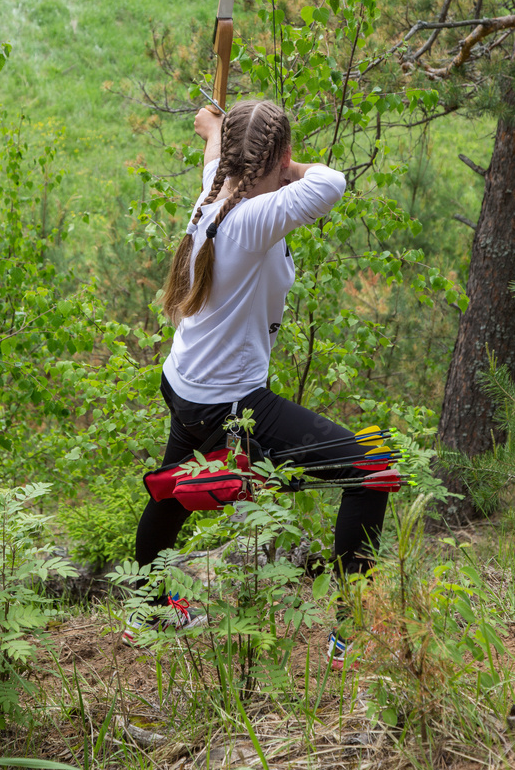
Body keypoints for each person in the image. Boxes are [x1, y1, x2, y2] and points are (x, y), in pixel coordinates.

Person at [129, 99, 391, 668]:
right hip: (228, 402)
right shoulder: (252, 219)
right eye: (283, 159)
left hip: (186, 384)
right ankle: (350, 636)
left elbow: (212, 153)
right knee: (372, 469)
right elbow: (332, 183)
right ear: (281, 156)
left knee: (172, 491)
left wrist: (214, 129)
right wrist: (287, 166)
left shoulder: (214, 193)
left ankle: (146, 608)